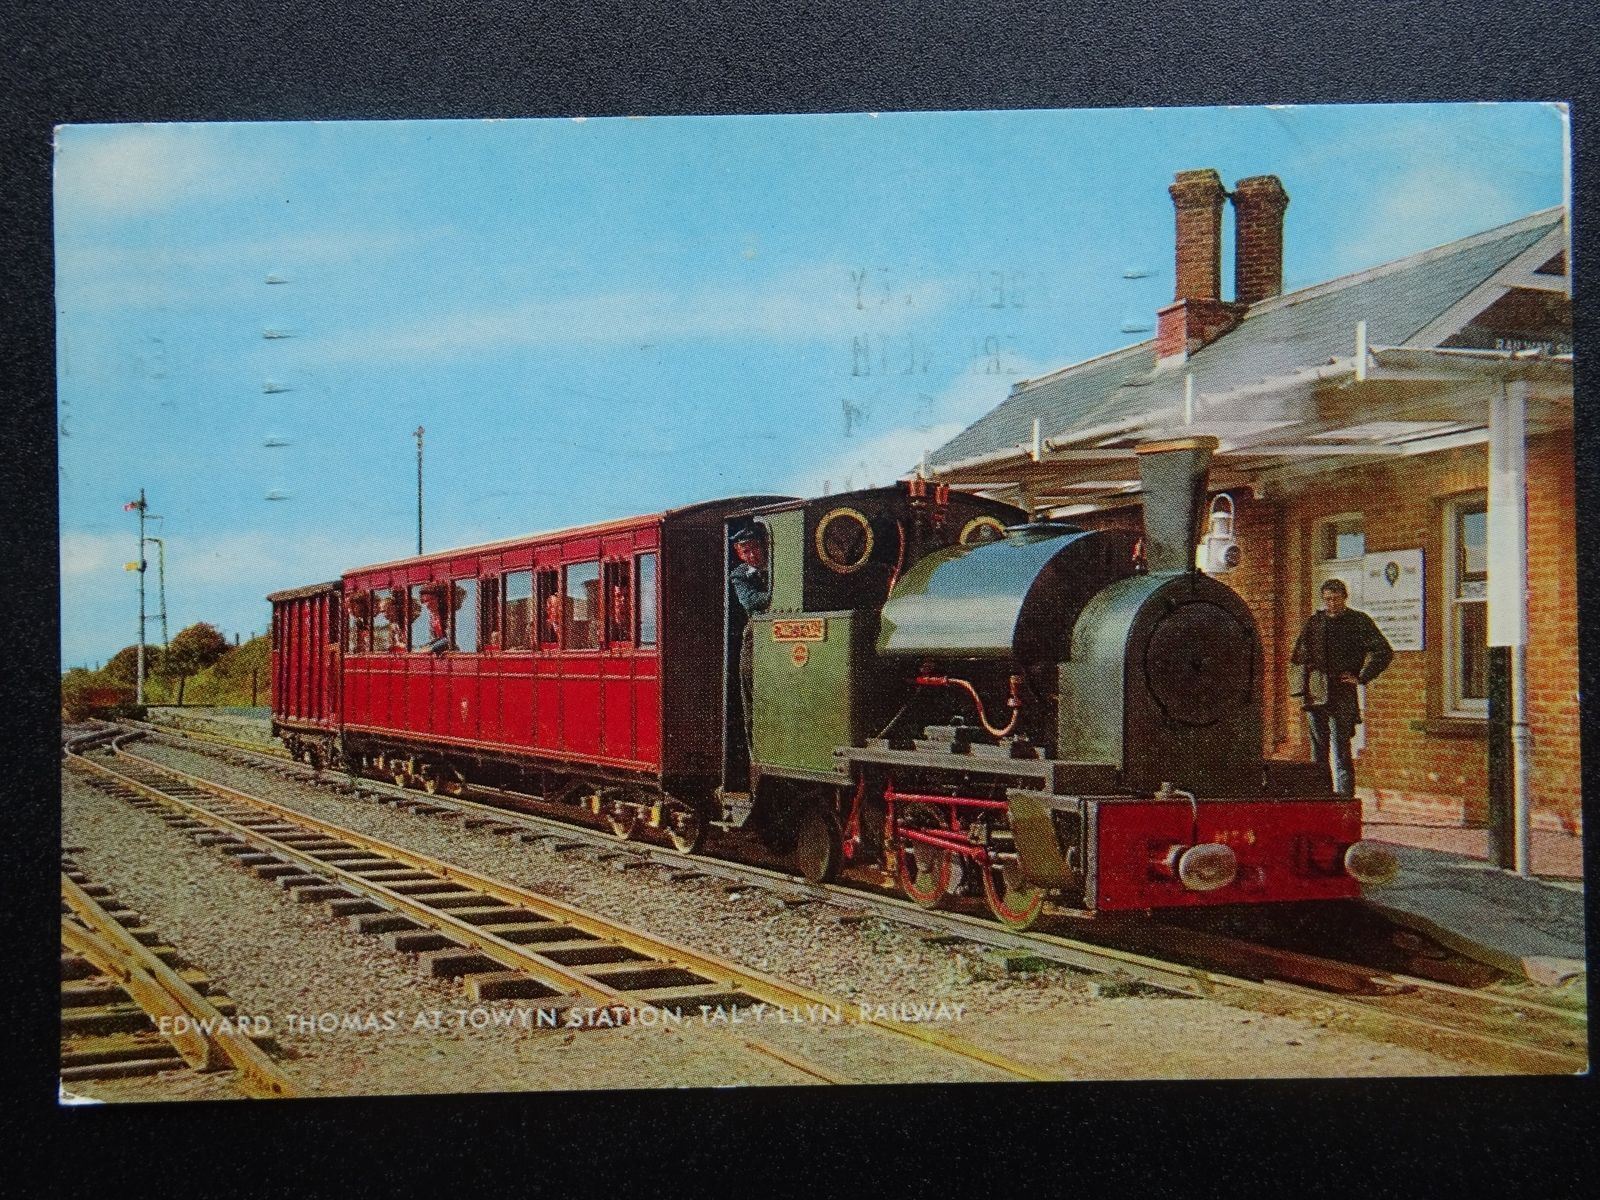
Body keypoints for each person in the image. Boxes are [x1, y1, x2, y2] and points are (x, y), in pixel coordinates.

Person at [1290, 578, 1393, 797]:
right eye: (1327, 599)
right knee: (1318, 750)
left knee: (1341, 750)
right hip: (1316, 693)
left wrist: (1362, 677)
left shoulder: (1358, 621)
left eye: (1336, 599)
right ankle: (1320, 798)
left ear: (1345, 598)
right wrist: (1301, 690)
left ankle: (1345, 800)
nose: (1332, 603)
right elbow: (1297, 657)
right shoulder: (1313, 623)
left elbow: (1384, 651)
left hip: (1342, 692)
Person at [729, 526, 770, 752]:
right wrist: (778, 593)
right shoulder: (739, 575)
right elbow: (751, 601)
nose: (752, 555)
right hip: (756, 636)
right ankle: (756, 754)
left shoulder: (778, 566)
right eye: (746, 551)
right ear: (739, 554)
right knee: (752, 697)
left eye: (754, 548)